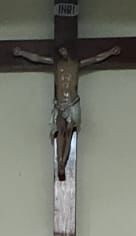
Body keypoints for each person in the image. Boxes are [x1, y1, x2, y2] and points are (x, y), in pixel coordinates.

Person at [12, 42, 120, 180]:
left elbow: (96, 58)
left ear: (69, 51)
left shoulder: (76, 64)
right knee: (60, 132)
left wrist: (110, 52)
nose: (62, 52)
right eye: (60, 50)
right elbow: (37, 58)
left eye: (64, 49)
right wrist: (21, 53)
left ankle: (63, 160)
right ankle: (60, 162)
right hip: (60, 104)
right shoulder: (56, 65)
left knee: (69, 132)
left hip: (72, 102)